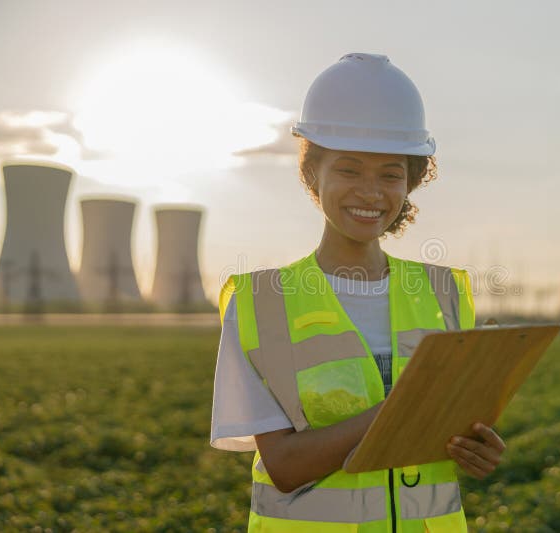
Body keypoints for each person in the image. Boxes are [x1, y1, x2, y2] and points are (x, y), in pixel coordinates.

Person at [210, 52, 506, 532]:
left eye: (390, 174)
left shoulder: (446, 292)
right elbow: (284, 468)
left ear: (410, 182)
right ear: (312, 174)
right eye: (349, 170)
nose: (371, 193)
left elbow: (450, 431)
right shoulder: (260, 303)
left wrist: (478, 448)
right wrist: (404, 407)